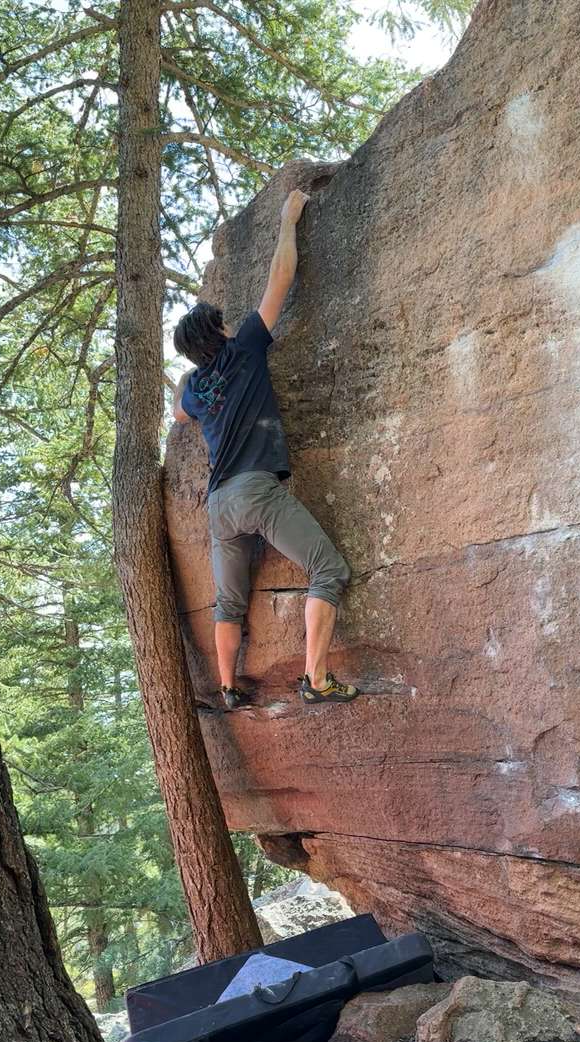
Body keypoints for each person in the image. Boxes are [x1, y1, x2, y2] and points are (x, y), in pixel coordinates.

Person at [172, 189, 359, 711]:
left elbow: (177, 413)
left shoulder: (195, 387)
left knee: (229, 603)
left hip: (219, 506)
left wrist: (190, 371)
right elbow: (281, 277)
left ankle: (229, 686)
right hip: (257, 488)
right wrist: (288, 219)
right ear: (220, 332)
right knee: (329, 570)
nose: (231, 322)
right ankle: (316, 679)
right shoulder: (246, 347)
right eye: (223, 322)